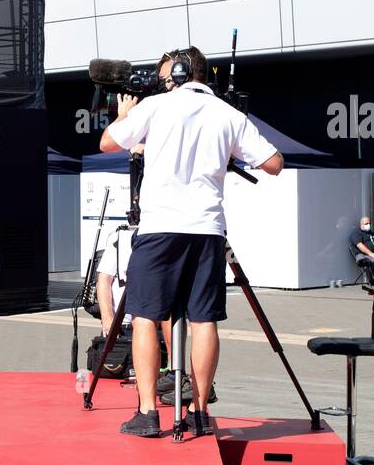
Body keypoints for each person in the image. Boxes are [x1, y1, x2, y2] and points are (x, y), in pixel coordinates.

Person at [99, 47, 282, 438]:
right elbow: (274, 163)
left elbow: (107, 143)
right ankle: (198, 411)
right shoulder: (229, 115)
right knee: (204, 319)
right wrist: (228, 153)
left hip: (160, 226)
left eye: (167, 75)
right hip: (207, 230)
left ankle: (148, 413)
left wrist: (124, 115)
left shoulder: (155, 106)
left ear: (180, 74)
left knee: (146, 315)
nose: (165, 81)